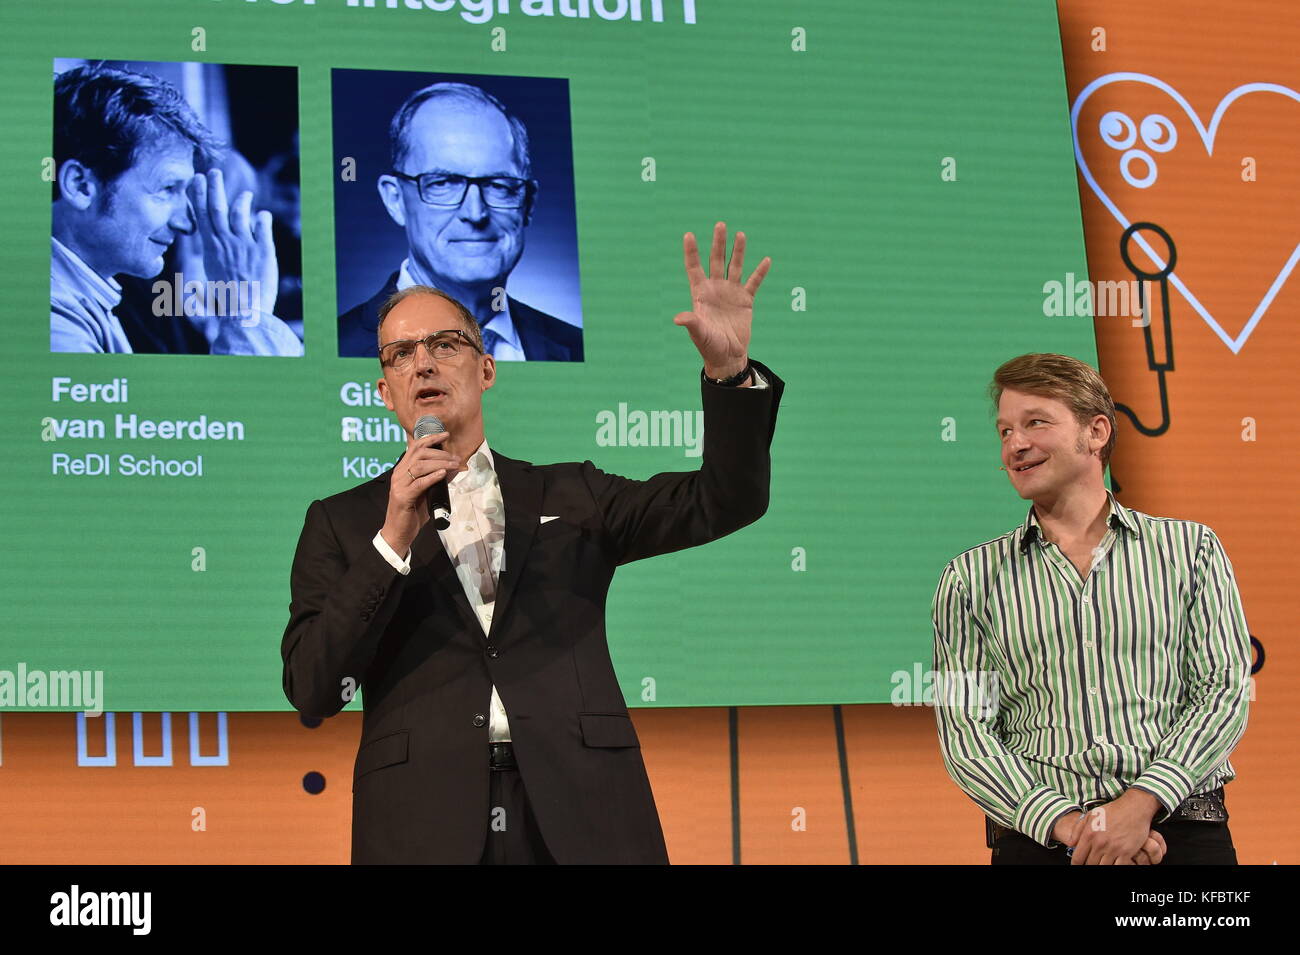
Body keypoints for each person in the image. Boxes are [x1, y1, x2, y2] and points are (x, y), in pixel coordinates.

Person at [286, 223, 780, 863]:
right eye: (400, 354)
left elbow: (724, 500)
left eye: (444, 344)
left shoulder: (574, 494)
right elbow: (315, 690)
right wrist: (391, 540)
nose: (424, 363)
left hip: (582, 812)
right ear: (384, 392)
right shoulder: (343, 523)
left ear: (486, 367)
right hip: (422, 820)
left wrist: (729, 373)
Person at [932, 353, 1251, 865]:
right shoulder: (967, 580)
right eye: (1005, 431)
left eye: (1035, 422)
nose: (1016, 443)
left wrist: (1140, 806)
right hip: (1044, 844)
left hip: (1181, 836)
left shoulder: (1192, 550)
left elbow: (1224, 692)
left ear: (1096, 432)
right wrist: (1076, 828)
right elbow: (964, 733)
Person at [50, 64, 302, 356]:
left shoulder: (91, 298)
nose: (186, 224)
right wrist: (248, 314)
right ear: (80, 186)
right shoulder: (55, 321)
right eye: (167, 189)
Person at [337, 81, 582, 361]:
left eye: (499, 185)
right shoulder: (335, 348)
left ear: (528, 202)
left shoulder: (577, 349)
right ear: (395, 200)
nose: (475, 213)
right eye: (444, 183)